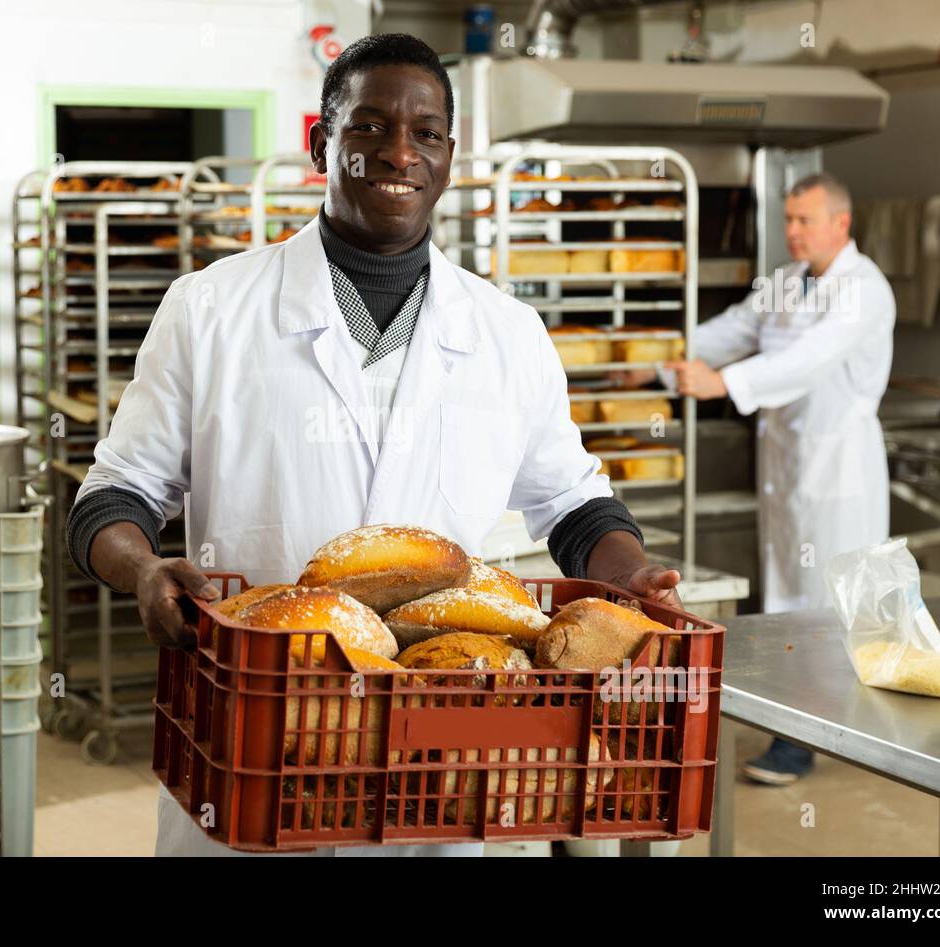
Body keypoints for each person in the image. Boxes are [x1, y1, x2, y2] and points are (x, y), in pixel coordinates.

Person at [66, 33, 680, 856]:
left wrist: (626, 574)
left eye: (426, 133)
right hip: (258, 753)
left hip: (448, 769)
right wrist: (142, 568)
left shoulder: (508, 333)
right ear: (321, 142)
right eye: (369, 127)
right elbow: (113, 496)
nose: (399, 151)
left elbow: (574, 504)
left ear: (450, 156)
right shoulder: (210, 310)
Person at [619, 172, 895, 786]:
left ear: (840, 224)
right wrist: (652, 362)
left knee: (825, 604)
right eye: (789, 219)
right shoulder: (787, 284)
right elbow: (730, 332)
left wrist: (727, 383)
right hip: (785, 466)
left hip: (837, 470)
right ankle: (799, 720)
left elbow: (809, 359)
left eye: (805, 221)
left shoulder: (864, 289)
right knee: (785, 597)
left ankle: (806, 737)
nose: (792, 232)